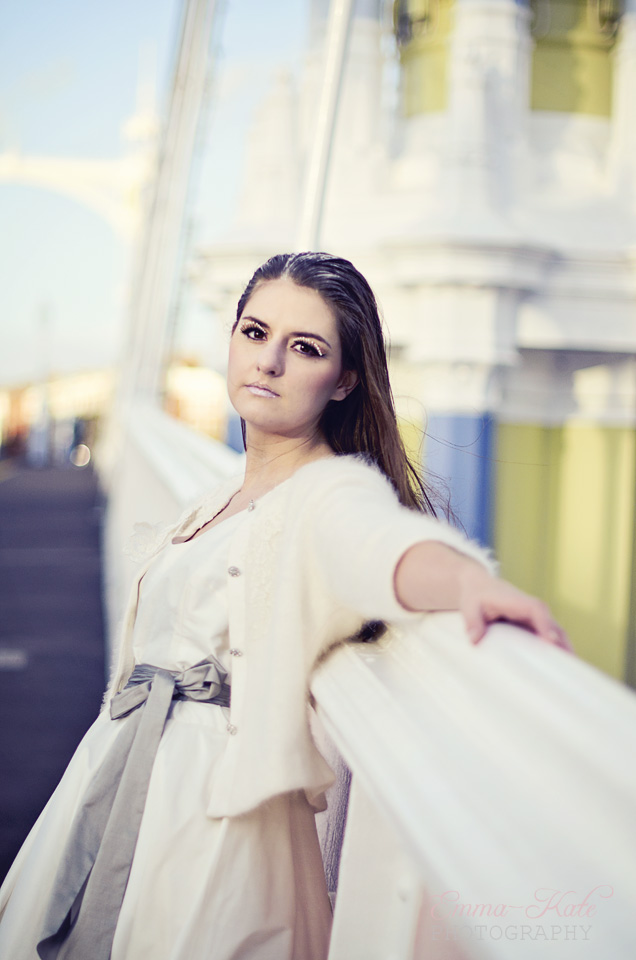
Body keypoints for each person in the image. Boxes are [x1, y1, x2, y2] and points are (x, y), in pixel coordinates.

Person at [0, 252, 571, 960]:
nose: (267, 361)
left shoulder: (326, 492)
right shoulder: (217, 499)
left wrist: (470, 586)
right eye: (254, 332)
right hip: (125, 778)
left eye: (304, 348)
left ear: (346, 380)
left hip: (216, 819)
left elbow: (381, 543)